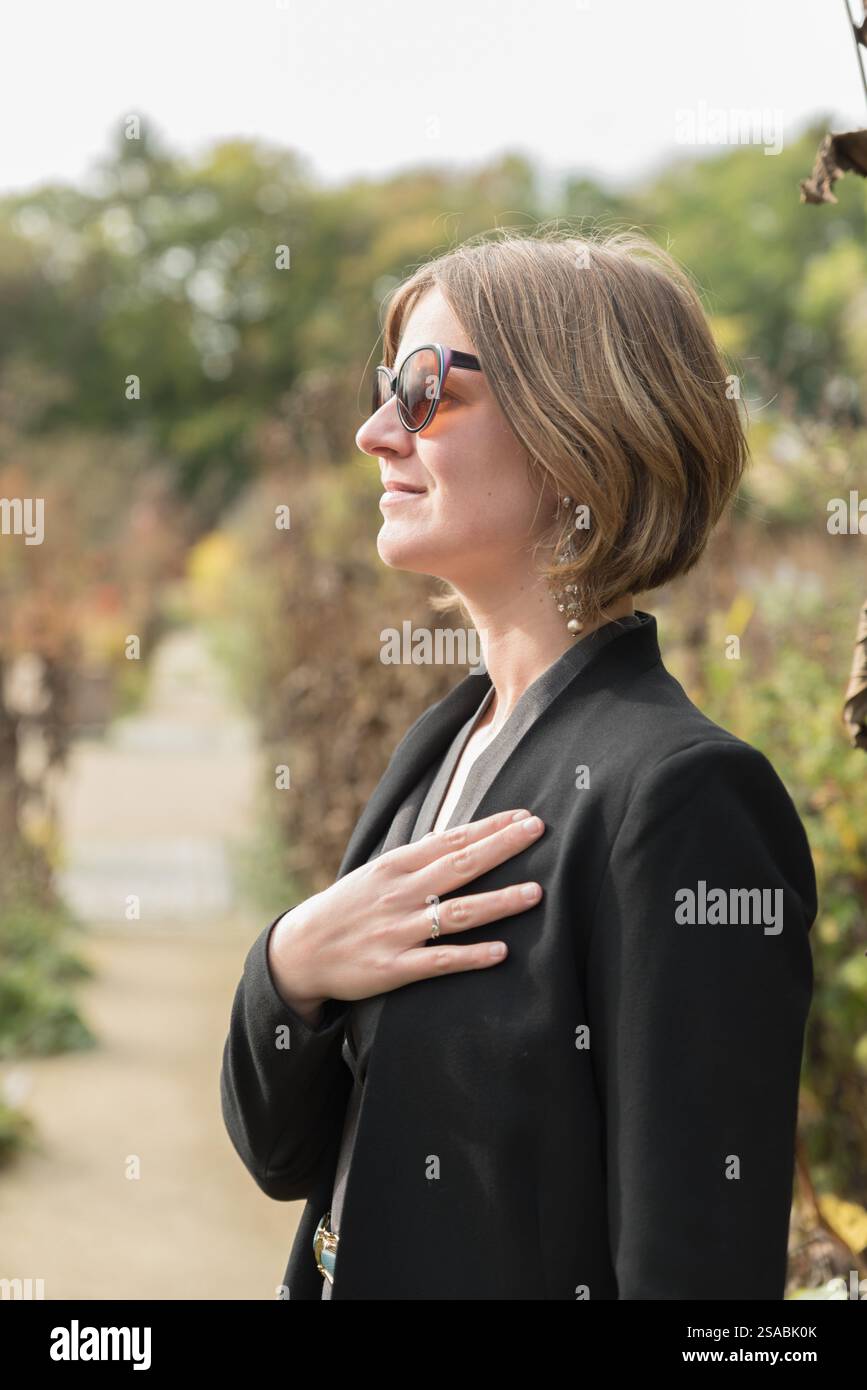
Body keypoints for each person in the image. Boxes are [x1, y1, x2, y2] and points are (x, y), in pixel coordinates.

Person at [220, 228, 817, 1300]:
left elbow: (699, 1277)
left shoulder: (683, 800)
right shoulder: (439, 749)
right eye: (381, 388)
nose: (372, 433)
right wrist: (291, 965)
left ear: (576, 424)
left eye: (421, 390)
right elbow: (291, 1159)